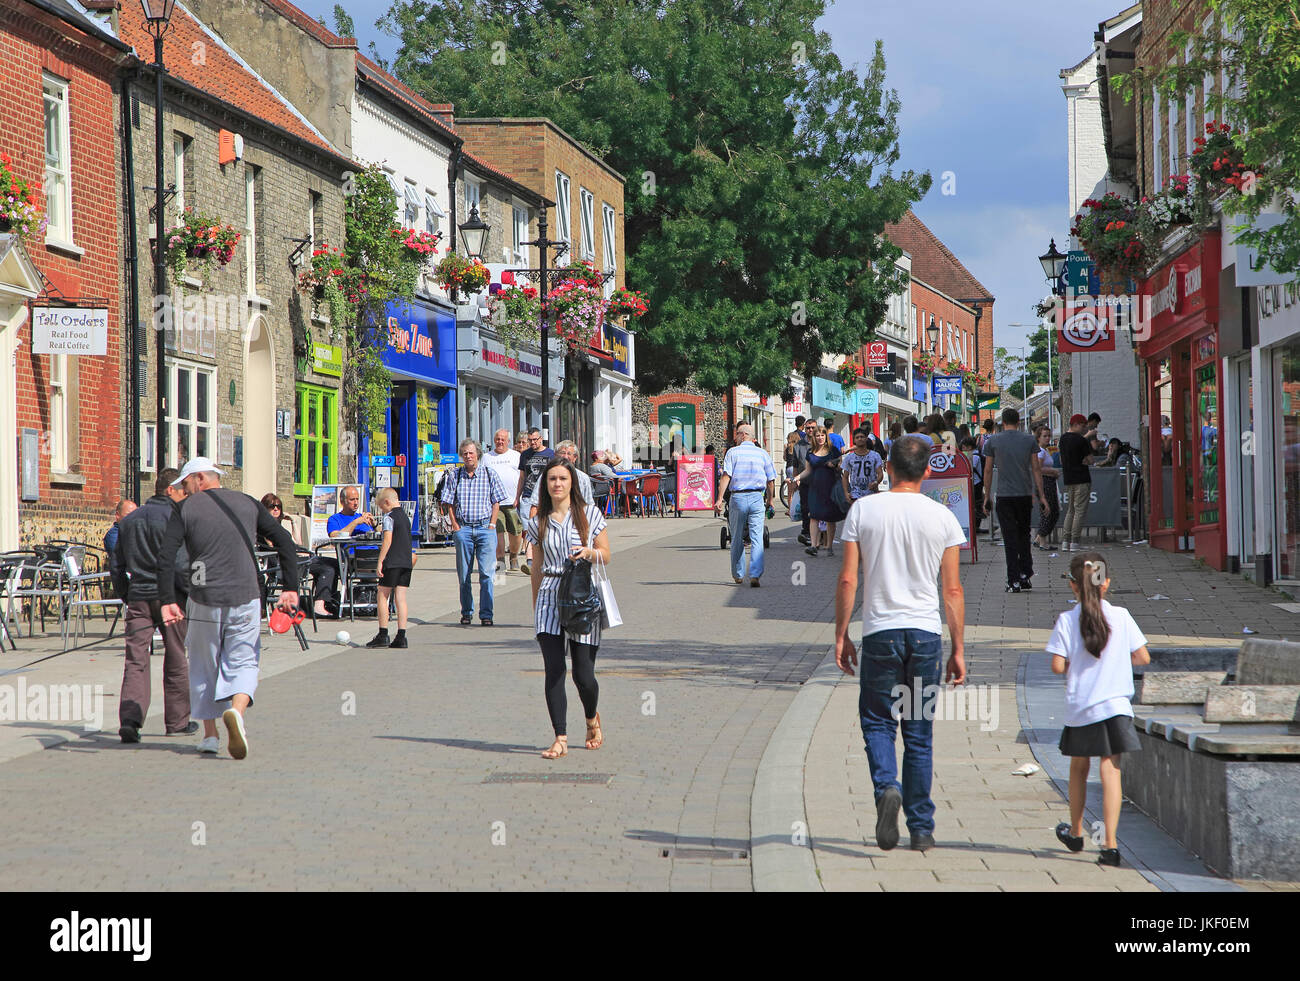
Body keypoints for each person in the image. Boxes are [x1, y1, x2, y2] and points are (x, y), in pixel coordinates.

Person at [835, 435, 966, 852]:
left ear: (886, 466)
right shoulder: (943, 517)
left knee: (876, 720)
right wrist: (958, 648)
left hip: (879, 632)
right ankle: (922, 828)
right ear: (928, 471)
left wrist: (840, 634)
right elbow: (953, 591)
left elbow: (848, 579)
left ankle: (885, 789)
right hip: (926, 635)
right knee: (918, 732)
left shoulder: (863, 510)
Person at [156, 458, 300, 759]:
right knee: (245, 661)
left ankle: (210, 735)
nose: (185, 490)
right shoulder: (248, 503)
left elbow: (167, 556)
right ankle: (236, 711)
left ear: (198, 479)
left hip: (203, 599)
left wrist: (168, 600)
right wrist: (290, 589)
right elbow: (285, 542)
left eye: (186, 485)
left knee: (202, 666)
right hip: (246, 596)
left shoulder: (185, 509)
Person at [1048, 553, 1150, 867]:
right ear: (1106, 583)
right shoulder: (1121, 615)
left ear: (1072, 585)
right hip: (1117, 707)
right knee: (1111, 770)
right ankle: (1109, 844)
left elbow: (1057, 666)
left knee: (1079, 769)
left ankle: (1076, 833)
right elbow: (1143, 657)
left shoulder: (1067, 620)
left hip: (1082, 708)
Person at [524, 458, 611, 760]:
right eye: (552, 479)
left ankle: (591, 718)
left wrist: (589, 552)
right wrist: (536, 606)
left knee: (583, 675)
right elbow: (536, 567)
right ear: (545, 485)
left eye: (562, 478)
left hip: (581, 597)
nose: (557, 484)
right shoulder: (538, 522)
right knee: (554, 670)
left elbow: (607, 554)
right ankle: (559, 737)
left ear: (572, 482)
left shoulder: (589, 515)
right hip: (550, 594)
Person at [112, 470, 194, 743]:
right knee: (176, 656)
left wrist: (126, 594)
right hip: (169, 597)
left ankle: (131, 720)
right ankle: (178, 721)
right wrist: (188, 595)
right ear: (171, 489)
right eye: (184, 490)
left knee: (136, 658)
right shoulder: (176, 519)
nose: (186, 496)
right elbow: (182, 564)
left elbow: (117, 564)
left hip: (138, 595)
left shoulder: (130, 520)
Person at [443, 438, 509, 626]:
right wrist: (456, 526)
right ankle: (466, 612)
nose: (468, 456)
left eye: (471, 453)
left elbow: (496, 501)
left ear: (477, 454)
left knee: (487, 574)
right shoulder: (454, 476)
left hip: (484, 529)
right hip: (464, 529)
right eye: (465, 453)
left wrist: (492, 525)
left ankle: (486, 614)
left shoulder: (489, 474)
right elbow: (448, 503)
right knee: (464, 574)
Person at [982, 407, 1045, 593]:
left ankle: (1013, 580)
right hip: (1024, 494)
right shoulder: (1028, 440)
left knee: (1009, 538)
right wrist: (1041, 495)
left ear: (1003, 423)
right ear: (1019, 422)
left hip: (1004, 495)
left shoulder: (993, 441)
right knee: (1024, 535)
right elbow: (1036, 469)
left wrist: (986, 496)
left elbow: (987, 470)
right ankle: (1025, 573)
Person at [713, 422, 776, 586]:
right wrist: (770, 500)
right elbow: (771, 480)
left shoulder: (733, 453)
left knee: (736, 537)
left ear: (742, 435)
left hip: (738, 498)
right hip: (757, 497)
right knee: (757, 538)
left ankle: (739, 574)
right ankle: (755, 574)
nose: (735, 438)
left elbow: (726, 476)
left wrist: (719, 499)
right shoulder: (763, 454)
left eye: (737, 435)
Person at [309, 486, 374, 617]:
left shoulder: (363, 518)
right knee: (328, 567)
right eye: (352, 500)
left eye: (357, 499)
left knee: (405, 559)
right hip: (353, 562)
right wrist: (355, 522)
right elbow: (334, 536)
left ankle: (387, 604)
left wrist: (375, 524)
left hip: (374, 559)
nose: (356, 503)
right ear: (342, 501)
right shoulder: (335, 519)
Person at [366, 487, 414, 649]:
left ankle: (383, 633)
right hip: (406, 562)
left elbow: (387, 540)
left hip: (392, 561)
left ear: (387, 502)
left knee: (382, 595)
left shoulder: (389, 517)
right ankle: (401, 636)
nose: (382, 510)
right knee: (400, 598)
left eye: (381, 507)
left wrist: (380, 561)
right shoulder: (406, 518)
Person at [790, 424, 843, 557]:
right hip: (815, 488)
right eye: (817, 435)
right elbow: (808, 471)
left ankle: (829, 546)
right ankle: (814, 546)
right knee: (814, 516)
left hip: (830, 487)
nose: (820, 438)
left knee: (830, 518)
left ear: (826, 436)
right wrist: (795, 478)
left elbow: (841, 465)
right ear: (814, 437)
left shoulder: (833, 450)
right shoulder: (810, 452)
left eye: (822, 435)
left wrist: (834, 465)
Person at [483, 428, 524, 572]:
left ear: (508, 441)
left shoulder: (516, 456)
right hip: (495, 503)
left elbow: (522, 477)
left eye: (503, 439)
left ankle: (513, 556)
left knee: (515, 533)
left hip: (513, 501)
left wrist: (519, 497)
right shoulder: (487, 457)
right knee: (497, 533)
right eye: (497, 439)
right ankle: (500, 563)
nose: (500, 442)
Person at [515, 428, 554, 574]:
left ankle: (544, 559)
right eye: (530, 440)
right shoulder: (525, 455)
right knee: (529, 529)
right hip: (527, 495)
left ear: (541, 438)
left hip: (545, 497)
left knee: (545, 529)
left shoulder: (550, 454)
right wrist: (517, 497)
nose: (533, 442)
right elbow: (522, 478)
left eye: (535, 439)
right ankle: (530, 562)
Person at [1058, 414, 1096, 553]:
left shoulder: (1062, 439)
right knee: (1079, 511)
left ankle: (1065, 541)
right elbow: (1091, 460)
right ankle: (1075, 542)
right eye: (1082, 425)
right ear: (1076, 424)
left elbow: (1062, 461)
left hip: (1068, 478)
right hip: (1081, 478)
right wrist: (1084, 461)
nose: (1084, 428)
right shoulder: (1081, 440)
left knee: (1070, 510)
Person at [526, 440, 593, 516]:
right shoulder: (546, 476)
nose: (565, 457)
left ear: (575, 458)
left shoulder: (583, 478)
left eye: (569, 454)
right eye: (562, 453)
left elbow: (588, 505)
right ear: (555, 455)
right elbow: (535, 504)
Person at [840, 427, 884, 504]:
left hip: (871, 493)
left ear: (866, 438)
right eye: (857, 437)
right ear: (854, 440)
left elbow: (880, 473)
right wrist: (846, 493)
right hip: (855, 494)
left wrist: (876, 482)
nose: (860, 439)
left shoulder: (875, 456)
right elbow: (845, 477)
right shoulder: (849, 457)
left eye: (862, 437)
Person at [1035, 426, 1061, 550]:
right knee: (1049, 512)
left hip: (1048, 482)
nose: (1047, 438)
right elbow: (1038, 469)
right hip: (1045, 483)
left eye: (1049, 436)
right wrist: (1053, 471)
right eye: (1044, 436)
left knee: (1051, 511)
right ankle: (1042, 540)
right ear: (1038, 437)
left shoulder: (1044, 450)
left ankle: (1039, 539)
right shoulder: (1040, 451)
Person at [794, 417, 817, 544]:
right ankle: (807, 531)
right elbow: (795, 465)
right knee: (805, 508)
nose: (810, 430)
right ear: (804, 428)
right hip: (805, 482)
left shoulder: (821, 443)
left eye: (813, 427)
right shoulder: (799, 445)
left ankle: (819, 532)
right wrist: (795, 480)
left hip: (819, 482)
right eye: (808, 428)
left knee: (818, 507)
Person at [103, 499, 137, 582]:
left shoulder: (136, 532)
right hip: (123, 580)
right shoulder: (113, 535)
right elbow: (122, 557)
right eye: (129, 515)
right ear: (118, 515)